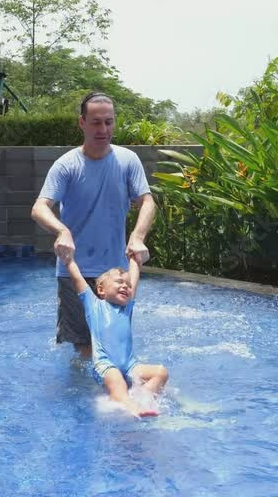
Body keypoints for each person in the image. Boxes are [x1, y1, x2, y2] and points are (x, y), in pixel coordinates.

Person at [31, 92, 156, 359]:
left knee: (114, 340)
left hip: (114, 273)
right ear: (82, 123)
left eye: (109, 122)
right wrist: (62, 231)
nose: (103, 129)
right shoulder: (66, 165)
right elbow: (39, 207)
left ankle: (113, 383)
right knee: (84, 348)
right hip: (74, 270)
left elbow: (147, 201)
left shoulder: (128, 160)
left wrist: (137, 236)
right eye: (96, 122)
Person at [63, 249, 168, 417]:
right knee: (116, 380)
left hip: (130, 365)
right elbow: (77, 280)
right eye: (119, 282)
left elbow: (134, 279)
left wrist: (134, 260)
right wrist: (69, 261)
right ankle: (130, 405)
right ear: (101, 289)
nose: (125, 286)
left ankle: (142, 395)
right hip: (105, 365)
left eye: (128, 285)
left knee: (161, 372)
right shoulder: (94, 306)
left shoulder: (127, 308)